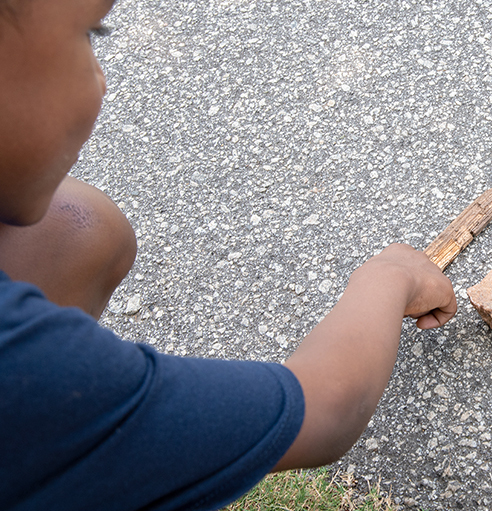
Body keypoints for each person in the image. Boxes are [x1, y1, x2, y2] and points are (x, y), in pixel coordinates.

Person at [0, 0, 458, 509]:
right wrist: (390, 276)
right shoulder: (24, 367)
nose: (103, 81)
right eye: (91, 34)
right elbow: (326, 410)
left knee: (76, 227)